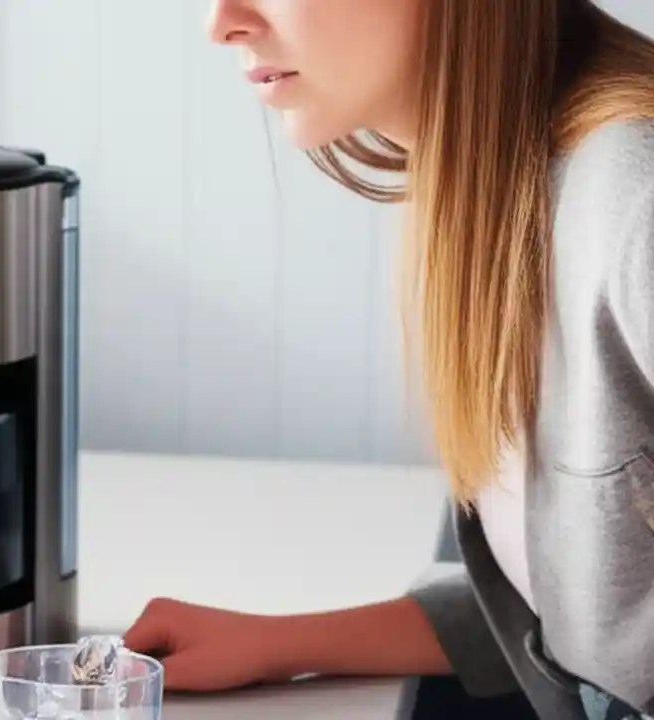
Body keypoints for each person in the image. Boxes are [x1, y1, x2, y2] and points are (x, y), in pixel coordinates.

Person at [122, 2, 654, 719]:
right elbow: (585, 609)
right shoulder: (502, 177)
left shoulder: (635, 204)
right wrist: (279, 643)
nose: (221, 23)